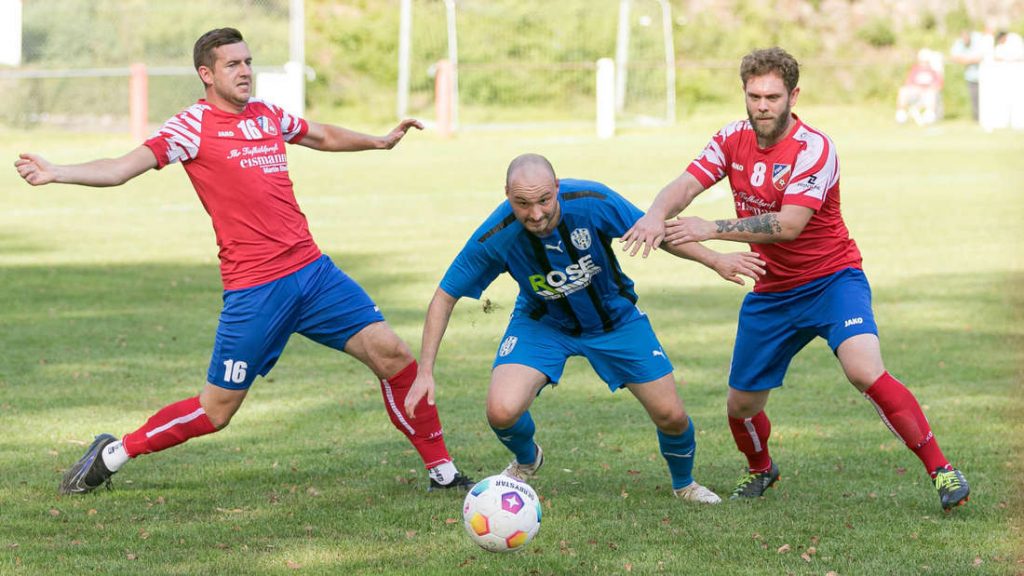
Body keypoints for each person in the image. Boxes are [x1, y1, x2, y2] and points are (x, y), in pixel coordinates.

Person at [15, 27, 474, 495]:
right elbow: (120, 168)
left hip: (314, 274)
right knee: (216, 411)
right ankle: (114, 453)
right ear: (206, 74)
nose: (245, 72)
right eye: (233, 64)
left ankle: (443, 473)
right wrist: (57, 172)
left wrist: (378, 141)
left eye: (248, 62)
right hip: (256, 290)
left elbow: (320, 135)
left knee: (394, 356)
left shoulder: (266, 115)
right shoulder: (190, 126)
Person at [620, 47, 970, 512]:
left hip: (833, 280)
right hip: (772, 291)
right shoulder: (731, 138)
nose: (762, 106)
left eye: (772, 97)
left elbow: (788, 225)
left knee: (864, 369)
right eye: (754, 96)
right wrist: (655, 214)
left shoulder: (814, 148)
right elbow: (685, 184)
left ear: (793, 96)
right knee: (741, 406)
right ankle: (761, 469)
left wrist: (711, 227)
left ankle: (942, 469)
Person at [404, 153, 766, 504]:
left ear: (557, 186)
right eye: (522, 204)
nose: (536, 214)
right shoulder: (497, 234)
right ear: (507, 195)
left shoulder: (591, 201)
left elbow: (656, 232)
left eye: (544, 200)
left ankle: (684, 484)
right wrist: (425, 371)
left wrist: (715, 259)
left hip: (614, 320)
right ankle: (528, 460)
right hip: (543, 324)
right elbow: (444, 296)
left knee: (671, 416)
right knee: (501, 411)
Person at [951, 27, 994, 121]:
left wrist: (967, 60)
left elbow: (981, 57)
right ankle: (977, 119)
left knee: (988, 98)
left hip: (985, 75)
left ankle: (989, 117)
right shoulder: (959, 43)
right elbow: (955, 58)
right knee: (974, 98)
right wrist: (970, 60)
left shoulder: (978, 39)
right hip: (971, 76)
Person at [895, 49, 944, 125]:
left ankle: (929, 114)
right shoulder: (915, 69)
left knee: (931, 93)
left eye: (925, 61)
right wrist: (917, 88)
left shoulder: (933, 71)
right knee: (903, 91)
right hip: (915, 91)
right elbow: (908, 83)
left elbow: (938, 84)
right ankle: (901, 114)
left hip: (928, 92)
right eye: (922, 61)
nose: (923, 63)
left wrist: (928, 88)